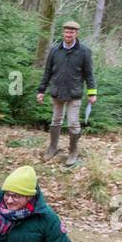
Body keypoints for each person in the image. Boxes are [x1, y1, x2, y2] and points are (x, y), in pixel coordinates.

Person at [36, 20, 96, 168]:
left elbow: (89, 74)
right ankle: (52, 147)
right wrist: (41, 90)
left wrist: (92, 92)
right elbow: (47, 72)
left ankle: (73, 151)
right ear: (63, 33)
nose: (68, 34)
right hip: (56, 91)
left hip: (74, 93)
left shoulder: (84, 51)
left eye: (72, 32)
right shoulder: (55, 50)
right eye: (66, 32)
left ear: (76, 33)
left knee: (73, 123)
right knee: (56, 120)